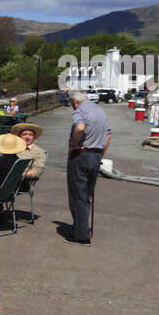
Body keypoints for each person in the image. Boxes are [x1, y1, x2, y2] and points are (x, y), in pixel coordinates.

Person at [66, 90, 111, 244]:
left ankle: (81, 235)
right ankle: (82, 228)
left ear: (74, 102)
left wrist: (73, 144)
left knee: (77, 195)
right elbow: (108, 135)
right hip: (95, 155)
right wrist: (100, 155)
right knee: (86, 195)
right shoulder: (99, 110)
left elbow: (79, 128)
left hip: (81, 155)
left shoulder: (80, 111)